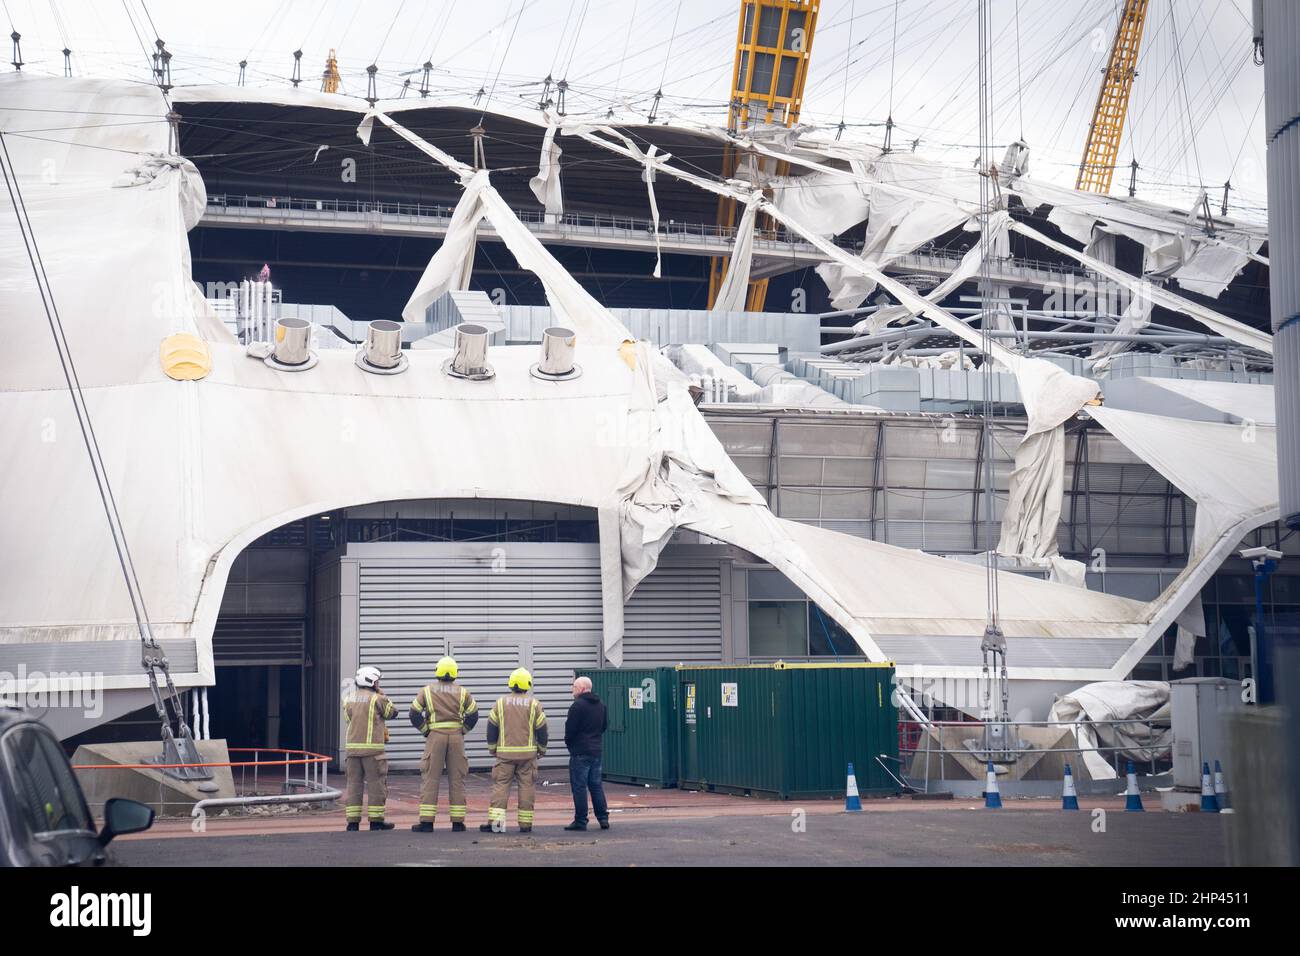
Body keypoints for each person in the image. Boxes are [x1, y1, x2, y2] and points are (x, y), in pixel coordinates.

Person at [408, 655, 479, 833]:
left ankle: (426, 823)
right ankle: (458, 823)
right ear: (455, 673)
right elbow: (474, 715)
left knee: (430, 779)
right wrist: (463, 730)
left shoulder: (427, 691)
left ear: (437, 672)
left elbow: (414, 713)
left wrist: (426, 731)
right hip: (456, 738)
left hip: (435, 737)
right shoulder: (463, 692)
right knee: (457, 779)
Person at [480, 667, 548, 834]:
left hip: (504, 755)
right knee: (527, 787)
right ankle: (525, 825)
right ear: (528, 684)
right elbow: (542, 730)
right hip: (528, 756)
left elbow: (491, 728)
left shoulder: (500, 703)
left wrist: (492, 748)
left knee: (501, 787)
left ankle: (496, 826)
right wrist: (541, 749)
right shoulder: (534, 704)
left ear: (511, 683)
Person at [342, 665, 397, 831]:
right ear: (372, 681)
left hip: (352, 750)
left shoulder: (348, 699)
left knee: (353, 785)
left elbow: (348, 719)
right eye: (377, 680)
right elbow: (392, 712)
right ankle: (376, 821)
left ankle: (352, 823)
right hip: (373, 751)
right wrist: (381, 693)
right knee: (376, 785)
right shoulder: (377, 699)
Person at [563, 675, 609, 831]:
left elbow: (570, 730)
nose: (572, 689)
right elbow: (604, 726)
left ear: (582, 689)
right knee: (596, 786)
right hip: (596, 750)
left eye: (574, 687)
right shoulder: (601, 705)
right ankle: (603, 818)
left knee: (579, 786)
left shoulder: (577, 706)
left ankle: (581, 820)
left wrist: (570, 744)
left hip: (580, 751)